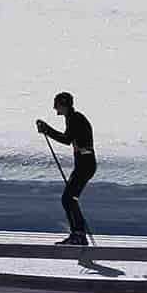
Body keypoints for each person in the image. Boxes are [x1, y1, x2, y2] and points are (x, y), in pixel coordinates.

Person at [36, 92, 96, 244]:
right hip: (84, 163)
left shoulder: (75, 119)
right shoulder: (73, 117)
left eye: (56, 104)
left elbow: (66, 139)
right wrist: (46, 130)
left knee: (68, 198)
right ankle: (78, 233)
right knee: (69, 198)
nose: (54, 108)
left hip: (85, 164)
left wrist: (47, 130)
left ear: (64, 104)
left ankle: (78, 234)